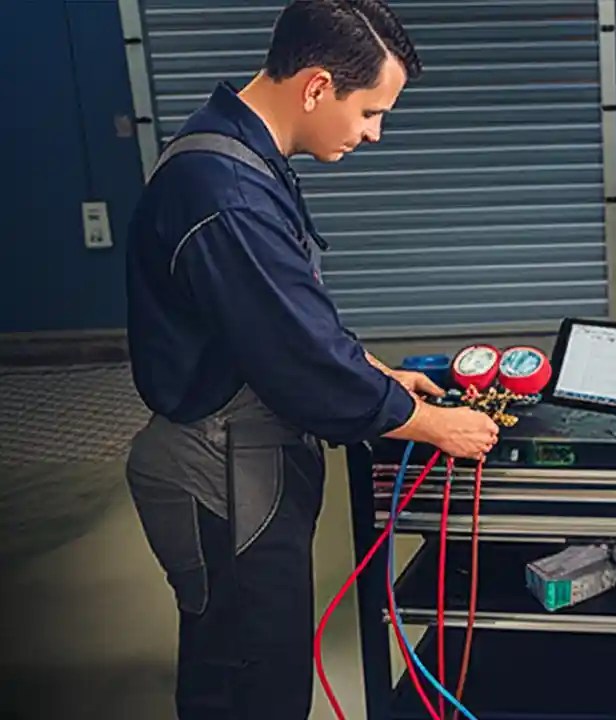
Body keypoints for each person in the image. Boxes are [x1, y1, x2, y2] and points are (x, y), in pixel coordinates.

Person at [122, 1, 499, 717]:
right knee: (249, 678)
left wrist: (374, 371)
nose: (373, 134)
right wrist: (428, 423)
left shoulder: (238, 154)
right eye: (369, 113)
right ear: (318, 86)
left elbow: (274, 318)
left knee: (259, 660)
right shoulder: (226, 193)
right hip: (222, 471)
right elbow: (298, 358)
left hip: (246, 448)